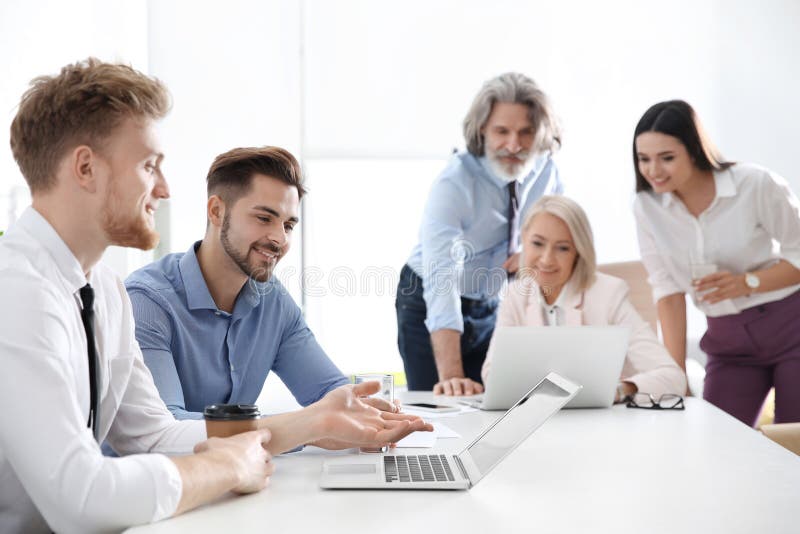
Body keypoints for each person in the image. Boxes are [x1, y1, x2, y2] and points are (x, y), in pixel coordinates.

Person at [0, 58, 429, 534]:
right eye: (149, 166)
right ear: (85, 167)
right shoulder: (16, 291)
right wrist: (227, 466)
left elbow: (154, 436)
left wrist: (312, 424)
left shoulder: (102, 290)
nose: (163, 188)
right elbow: (79, 499)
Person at [125, 146, 352, 421]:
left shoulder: (274, 302)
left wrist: (371, 415)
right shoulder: (147, 301)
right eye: (264, 218)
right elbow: (166, 426)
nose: (279, 239)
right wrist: (306, 429)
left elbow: (330, 394)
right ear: (217, 211)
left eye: (288, 225)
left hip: (234, 464)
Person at [632, 99, 800, 425]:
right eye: (644, 159)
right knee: (718, 441)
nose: (653, 170)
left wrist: (746, 282)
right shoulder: (646, 207)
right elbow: (666, 290)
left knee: (793, 444)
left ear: (694, 150)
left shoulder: (754, 184)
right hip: (727, 341)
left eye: (667, 158)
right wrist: (675, 371)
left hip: (790, 327)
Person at [397, 72, 563, 396]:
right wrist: (451, 377)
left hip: (488, 298)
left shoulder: (547, 172)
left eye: (525, 132)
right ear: (483, 129)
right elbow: (440, 279)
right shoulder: (455, 183)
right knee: (442, 405)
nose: (513, 145)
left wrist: (530, 253)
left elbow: (556, 237)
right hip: (427, 296)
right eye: (502, 131)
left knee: (493, 402)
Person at [481, 196, 686, 400]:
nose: (546, 259)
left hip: (605, 423)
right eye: (537, 243)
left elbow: (672, 378)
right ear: (524, 240)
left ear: (578, 252)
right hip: (541, 423)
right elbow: (492, 375)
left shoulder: (608, 294)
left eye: (563, 248)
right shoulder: (515, 296)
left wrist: (618, 390)